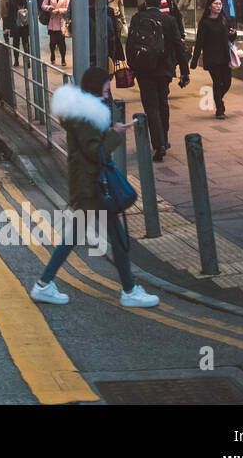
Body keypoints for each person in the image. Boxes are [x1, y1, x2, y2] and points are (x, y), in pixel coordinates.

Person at [28, 67, 160, 309]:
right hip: (92, 187)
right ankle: (45, 284)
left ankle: (127, 288)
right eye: (106, 91)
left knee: (107, 237)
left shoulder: (82, 114)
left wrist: (110, 131)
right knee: (86, 237)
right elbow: (95, 152)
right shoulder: (86, 117)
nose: (107, 96)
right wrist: (115, 134)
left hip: (92, 185)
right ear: (94, 90)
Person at [127, 0, 190, 162]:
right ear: (161, 3)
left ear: (146, 3)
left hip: (144, 69)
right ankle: (164, 138)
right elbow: (178, 46)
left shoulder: (137, 18)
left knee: (150, 106)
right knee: (163, 102)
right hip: (164, 69)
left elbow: (130, 43)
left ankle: (159, 143)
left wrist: (132, 66)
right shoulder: (169, 20)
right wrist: (185, 71)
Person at [190, 0, 236, 119]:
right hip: (212, 57)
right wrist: (194, 60)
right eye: (216, 4)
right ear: (210, 6)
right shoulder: (205, 23)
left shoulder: (224, 19)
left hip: (225, 56)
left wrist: (233, 34)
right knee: (217, 81)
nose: (219, 6)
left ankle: (217, 98)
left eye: (220, 4)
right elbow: (199, 42)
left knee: (227, 82)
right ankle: (220, 109)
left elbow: (231, 38)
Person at [42, 0, 70, 65]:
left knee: (62, 42)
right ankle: (53, 55)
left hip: (62, 22)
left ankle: (63, 59)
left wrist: (59, 10)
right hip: (52, 21)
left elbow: (69, 9)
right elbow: (43, 6)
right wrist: (49, 7)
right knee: (52, 41)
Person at [7, 0, 30, 66]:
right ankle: (28, 61)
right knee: (26, 42)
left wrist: (8, 26)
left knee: (16, 43)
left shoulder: (11, 1)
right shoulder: (25, 1)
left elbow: (9, 15)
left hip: (15, 25)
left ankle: (16, 60)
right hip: (25, 25)